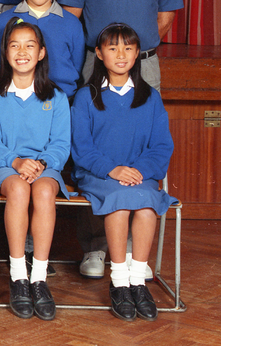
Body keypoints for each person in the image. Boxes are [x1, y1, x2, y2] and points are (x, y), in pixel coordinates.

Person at [71, 22, 176, 322]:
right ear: (99, 53)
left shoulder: (150, 97)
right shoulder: (86, 96)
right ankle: (118, 281)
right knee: (118, 201)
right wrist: (113, 169)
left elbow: (161, 146)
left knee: (145, 203)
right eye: (113, 48)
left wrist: (137, 170)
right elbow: (82, 147)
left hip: (140, 175)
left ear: (137, 53)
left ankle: (138, 282)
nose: (121, 55)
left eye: (128, 48)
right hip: (99, 175)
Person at [0, 19, 72, 321]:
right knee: (18, 189)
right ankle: (18, 275)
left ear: (41, 53)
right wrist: (15, 162)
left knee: (43, 191)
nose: (22, 52)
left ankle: (39, 278)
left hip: (45, 167)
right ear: (6, 53)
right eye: (14, 46)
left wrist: (41, 163)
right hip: (4, 166)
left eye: (29, 46)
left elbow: (61, 144)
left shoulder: (56, 97)